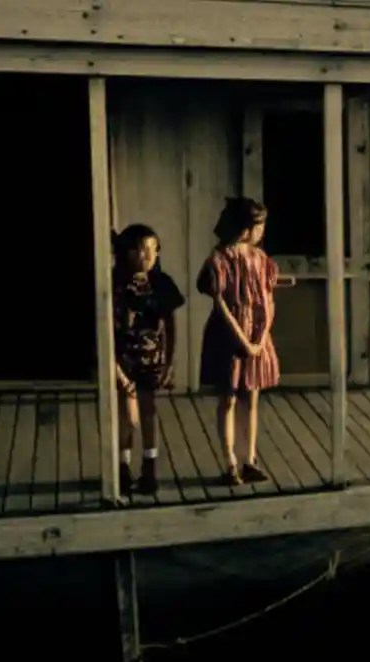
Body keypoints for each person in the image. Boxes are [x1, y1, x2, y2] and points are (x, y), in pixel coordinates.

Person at [196, 196, 280, 485]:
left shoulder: (263, 260)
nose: (262, 231)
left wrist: (262, 335)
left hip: (257, 336)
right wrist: (244, 341)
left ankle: (250, 459)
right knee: (229, 399)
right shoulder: (219, 260)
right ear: (246, 227)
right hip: (230, 337)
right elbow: (221, 305)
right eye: (260, 225)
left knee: (252, 400)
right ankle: (230, 460)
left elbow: (269, 301)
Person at [112, 223, 185, 495]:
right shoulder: (116, 283)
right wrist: (115, 368)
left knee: (148, 411)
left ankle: (149, 469)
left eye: (152, 250)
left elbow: (171, 324)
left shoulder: (162, 284)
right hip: (122, 358)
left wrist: (169, 361)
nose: (146, 256)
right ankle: (122, 468)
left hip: (151, 358)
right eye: (139, 251)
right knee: (126, 416)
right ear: (127, 253)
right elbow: (106, 327)